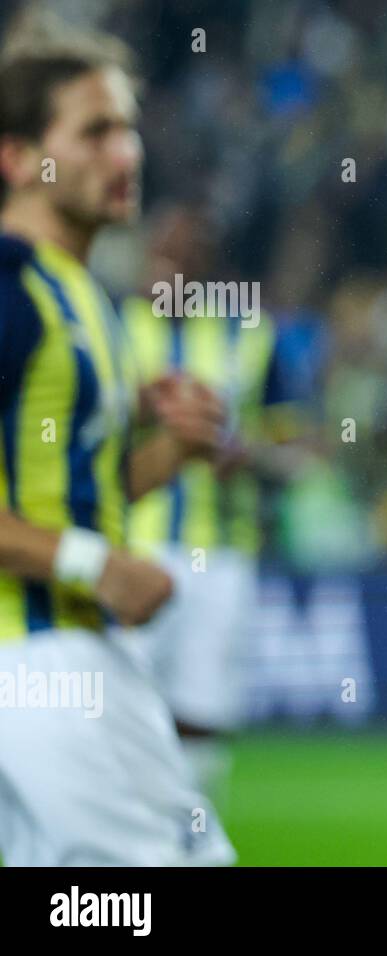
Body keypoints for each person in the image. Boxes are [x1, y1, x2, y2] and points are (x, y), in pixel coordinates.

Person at [0, 22, 234, 865]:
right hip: (38, 659)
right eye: (94, 131)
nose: (124, 152)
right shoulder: (10, 290)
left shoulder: (84, 295)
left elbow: (69, 493)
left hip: (72, 657)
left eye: (128, 129)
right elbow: (72, 536)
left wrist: (174, 454)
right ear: (18, 158)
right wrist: (97, 566)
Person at [117, 202, 307, 803]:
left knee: (202, 711)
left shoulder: (251, 336)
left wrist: (252, 455)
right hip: (131, 546)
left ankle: (189, 831)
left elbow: (297, 450)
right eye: (163, 252)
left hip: (222, 553)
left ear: (209, 266)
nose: (170, 268)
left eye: (185, 255)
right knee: (120, 707)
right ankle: (130, 831)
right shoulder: (111, 325)